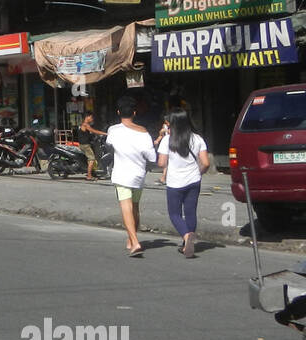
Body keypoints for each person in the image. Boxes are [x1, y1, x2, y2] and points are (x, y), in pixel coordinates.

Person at [106, 95, 156, 257]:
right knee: (135, 207)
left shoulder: (113, 130)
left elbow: (109, 147)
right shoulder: (144, 133)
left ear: (119, 112)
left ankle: (134, 242)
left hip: (122, 174)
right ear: (134, 113)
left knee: (125, 206)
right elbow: (152, 158)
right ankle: (131, 238)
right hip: (139, 175)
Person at [157, 109, 211, 258]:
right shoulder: (197, 139)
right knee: (190, 212)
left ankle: (186, 237)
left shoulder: (167, 140)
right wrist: (198, 173)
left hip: (175, 183)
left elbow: (161, 163)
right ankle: (187, 244)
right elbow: (206, 163)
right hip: (194, 181)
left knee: (174, 213)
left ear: (172, 124)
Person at [79, 108, 103, 181]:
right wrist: (106, 133)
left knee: (90, 159)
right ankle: (89, 176)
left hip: (84, 144)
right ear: (87, 117)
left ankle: (91, 173)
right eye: (91, 117)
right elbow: (94, 131)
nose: (92, 119)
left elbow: (91, 133)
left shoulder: (84, 124)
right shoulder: (85, 125)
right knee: (92, 159)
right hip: (85, 145)